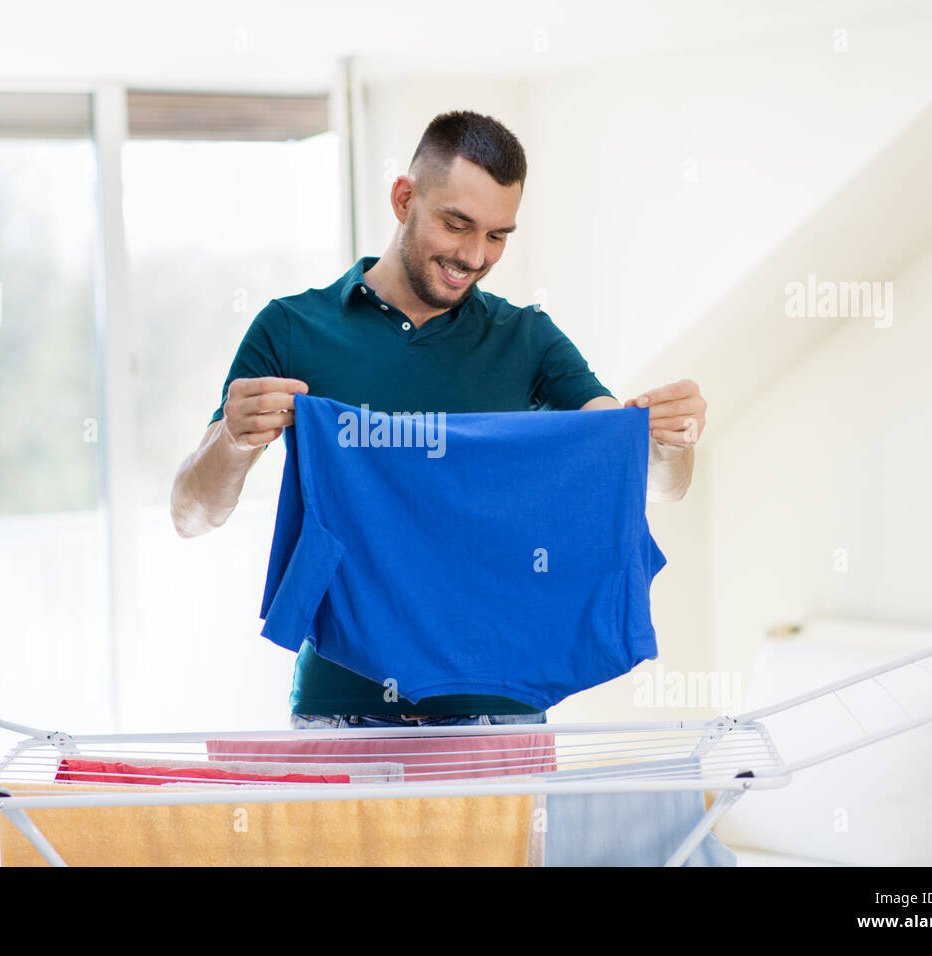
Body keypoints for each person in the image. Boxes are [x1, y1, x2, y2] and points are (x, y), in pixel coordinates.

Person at [170, 110, 707, 732]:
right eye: (457, 224)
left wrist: (671, 439)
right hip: (344, 709)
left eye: (498, 235)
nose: (475, 256)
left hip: (502, 711)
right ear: (404, 199)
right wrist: (235, 439)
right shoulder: (292, 330)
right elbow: (191, 516)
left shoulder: (526, 338)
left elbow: (644, 474)